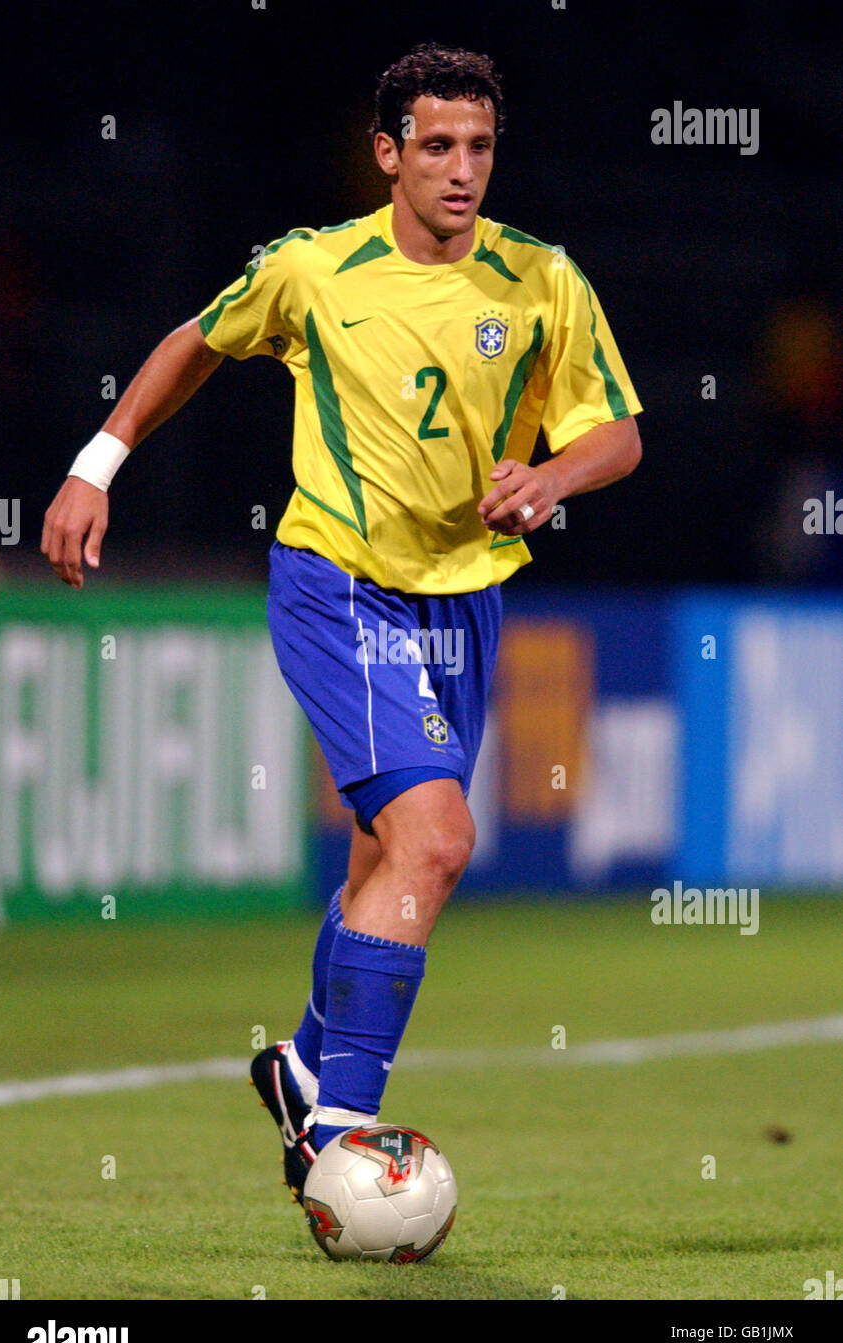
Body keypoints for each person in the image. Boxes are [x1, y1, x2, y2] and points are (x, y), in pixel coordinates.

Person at [42, 42, 642, 1203]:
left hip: (464, 596)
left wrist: (552, 479)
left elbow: (617, 430)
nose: (461, 169)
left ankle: (304, 1060)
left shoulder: (540, 278)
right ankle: (340, 1136)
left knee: (386, 856)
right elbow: (192, 344)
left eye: (477, 147)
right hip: (341, 580)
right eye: (435, 147)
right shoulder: (315, 270)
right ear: (387, 155)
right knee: (438, 839)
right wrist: (93, 465)